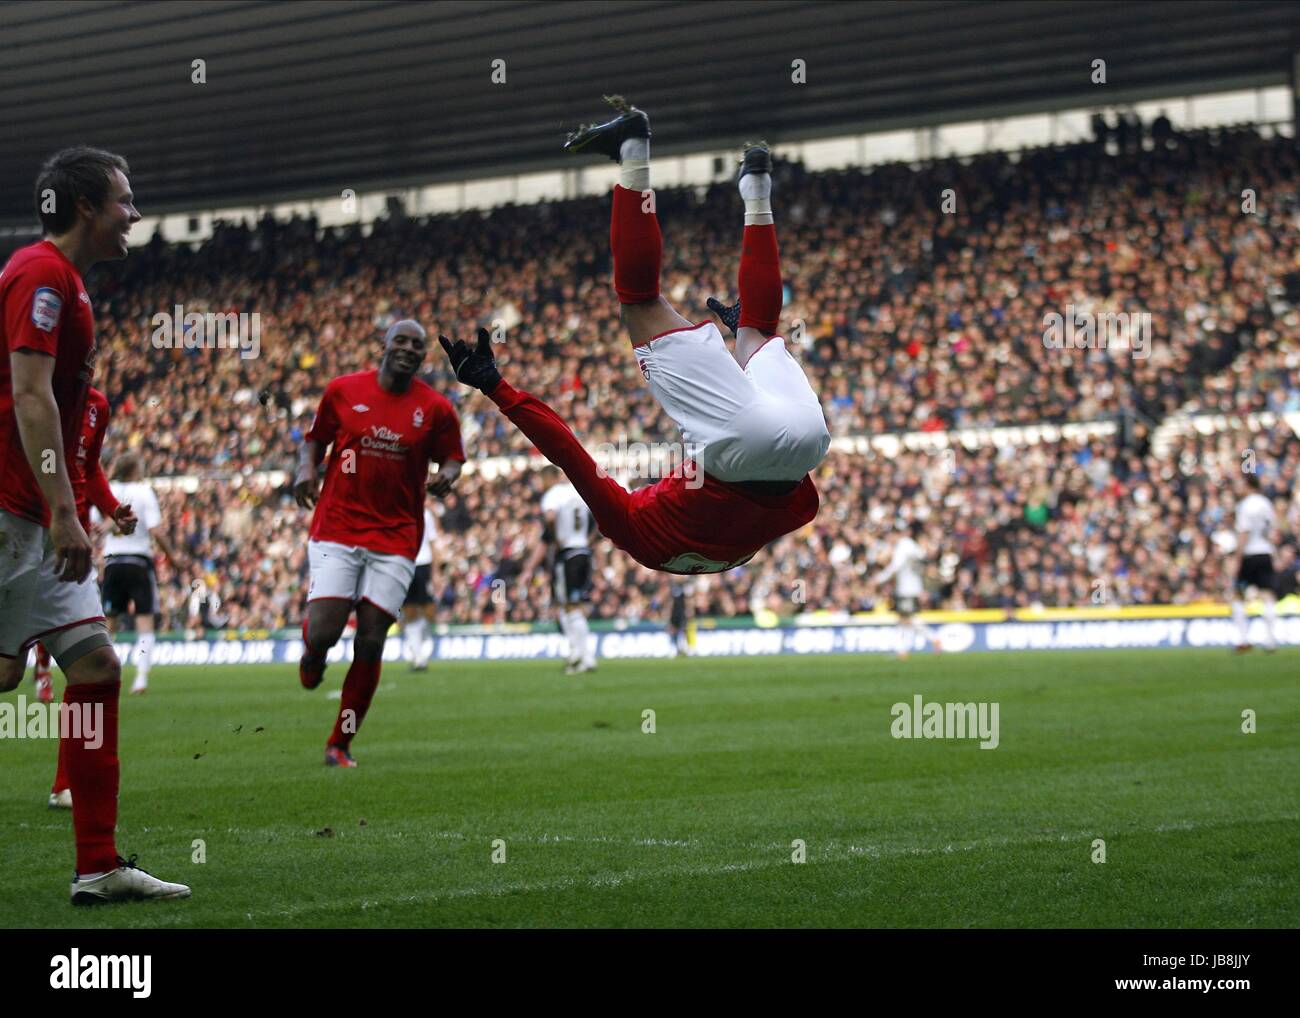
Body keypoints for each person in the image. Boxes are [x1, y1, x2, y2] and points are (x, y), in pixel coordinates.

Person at [437, 97, 830, 577]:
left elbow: (800, 504)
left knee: (757, 330)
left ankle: (757, 187)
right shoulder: (631, 534)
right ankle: (633, 149)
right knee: (640, 301)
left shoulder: (737, 546)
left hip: (807, 444)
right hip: (738, 448)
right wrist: (495, 388)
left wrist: (751, 362)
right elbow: (569, 454)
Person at [0, 146, 189, 903]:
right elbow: (29, 395)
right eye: (125, 200)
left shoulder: (65, 283)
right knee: (14, 673)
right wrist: (63, 508)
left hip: (29, 516)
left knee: (92, 668)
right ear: (87, 207)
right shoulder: (41, 274)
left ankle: (98, 864)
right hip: (16, 515)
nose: (134, 214)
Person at [293, 319, 465, 767]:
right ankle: (312, 652)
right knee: (328, 631)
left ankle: (340, 742)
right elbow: (313, 442)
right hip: (338, 525)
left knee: (371, 641)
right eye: (401, 341)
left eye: (417, 345)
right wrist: (304, 471)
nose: (408, 349)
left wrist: (446, 477)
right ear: (384, 347)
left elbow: (453, 457)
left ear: (423, 356)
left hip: (397, 536)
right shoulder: (343, 391)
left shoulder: (436, 409)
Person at [98, 451, 180, 695]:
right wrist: (173, 557)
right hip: (139, 562)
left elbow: (98, 525)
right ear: (136, 470)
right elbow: (156, 529)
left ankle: (103, 676)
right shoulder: (144, 492)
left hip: (112, 562)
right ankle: (140, 679)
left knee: (109, 623)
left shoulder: (108, 489)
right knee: (144, 622)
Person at [540, 471, 597, 674]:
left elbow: (550, 517)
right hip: (584, 551)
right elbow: (597, 518)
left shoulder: (554, 494)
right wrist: (588, 539)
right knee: (575, 604)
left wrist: (555, 539)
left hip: (568, 554)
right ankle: (582, 654)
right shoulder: (579, 492)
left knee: (568, 606)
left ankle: (581, 655)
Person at [875, 521, 941, 660]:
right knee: (904, 619)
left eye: (890, 535)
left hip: (908, 589)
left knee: (908, 619)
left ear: (895, 534)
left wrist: (880, 578)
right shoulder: (909, 545)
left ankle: (933, 638)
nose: (889, 539)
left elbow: (896, 566)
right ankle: (902, 650)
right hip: (909, 588)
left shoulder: (904, 545)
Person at [1231, 474, 1281, 653]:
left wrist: (1237, 559)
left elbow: (1243, 532)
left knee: (1237, 594)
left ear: (1248, 485)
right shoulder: (1266, 504)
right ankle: (1270, 640)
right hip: (1265, 552)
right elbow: (1273, 531)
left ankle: (1243, 639)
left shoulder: (1245, 506)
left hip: (1249, 554)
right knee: (1268, 595)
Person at [401, 505, 438, 670]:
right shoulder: (399, 511)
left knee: (429, 610)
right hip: (405, 563)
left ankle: (420, 647)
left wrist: (436, 572)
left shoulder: (426, 515)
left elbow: (433, 542)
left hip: (424, 564)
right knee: (409, 610)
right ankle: (418, 656)